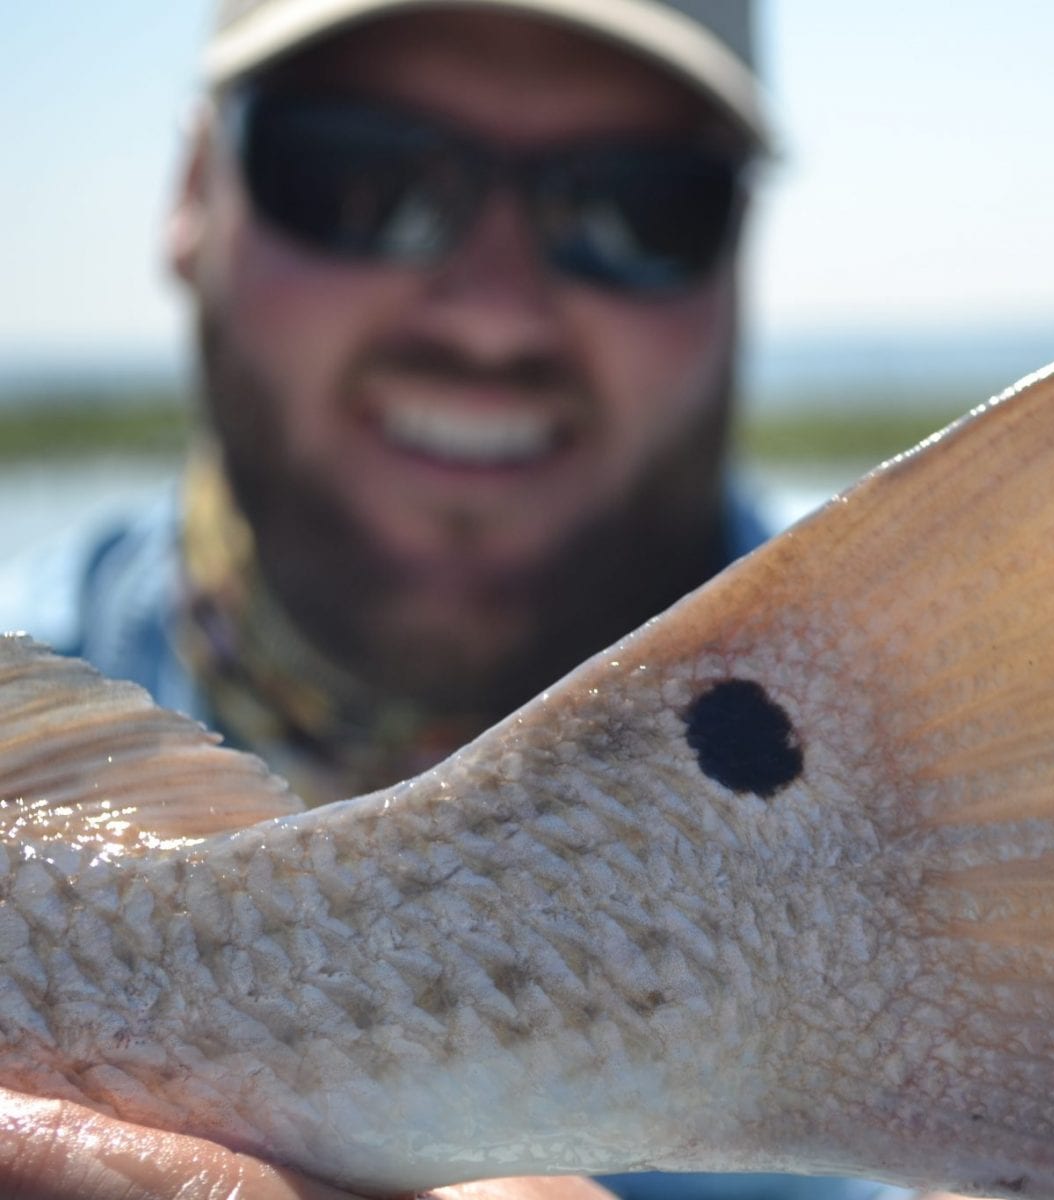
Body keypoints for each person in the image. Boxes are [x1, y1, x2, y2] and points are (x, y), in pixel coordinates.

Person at [0, 2, 923, 1198]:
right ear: (189, 191)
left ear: (743, 248)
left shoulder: (1028, 723)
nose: (492, 313)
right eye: (354, 178)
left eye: (639, 207)